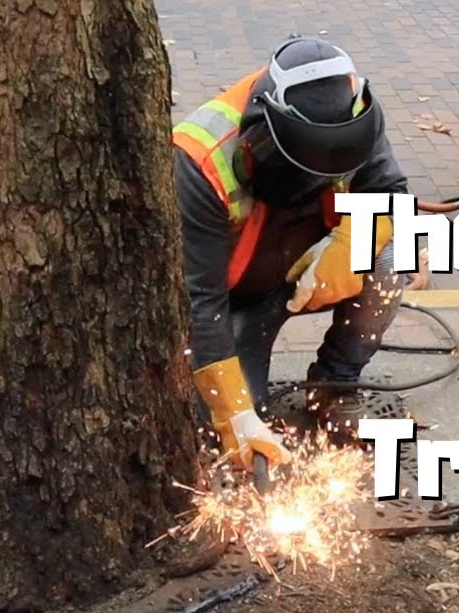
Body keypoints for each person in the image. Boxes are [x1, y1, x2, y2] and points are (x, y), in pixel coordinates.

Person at [172, 35, 421, 471]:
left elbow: (388, 193)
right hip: (231, 298)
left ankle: (333, 384)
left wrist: (343, 257)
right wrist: (237, 412)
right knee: (225, 429)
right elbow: (201, 302)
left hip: (302, 270)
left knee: (388, 261)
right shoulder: (198, 158)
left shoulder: (356, 115)